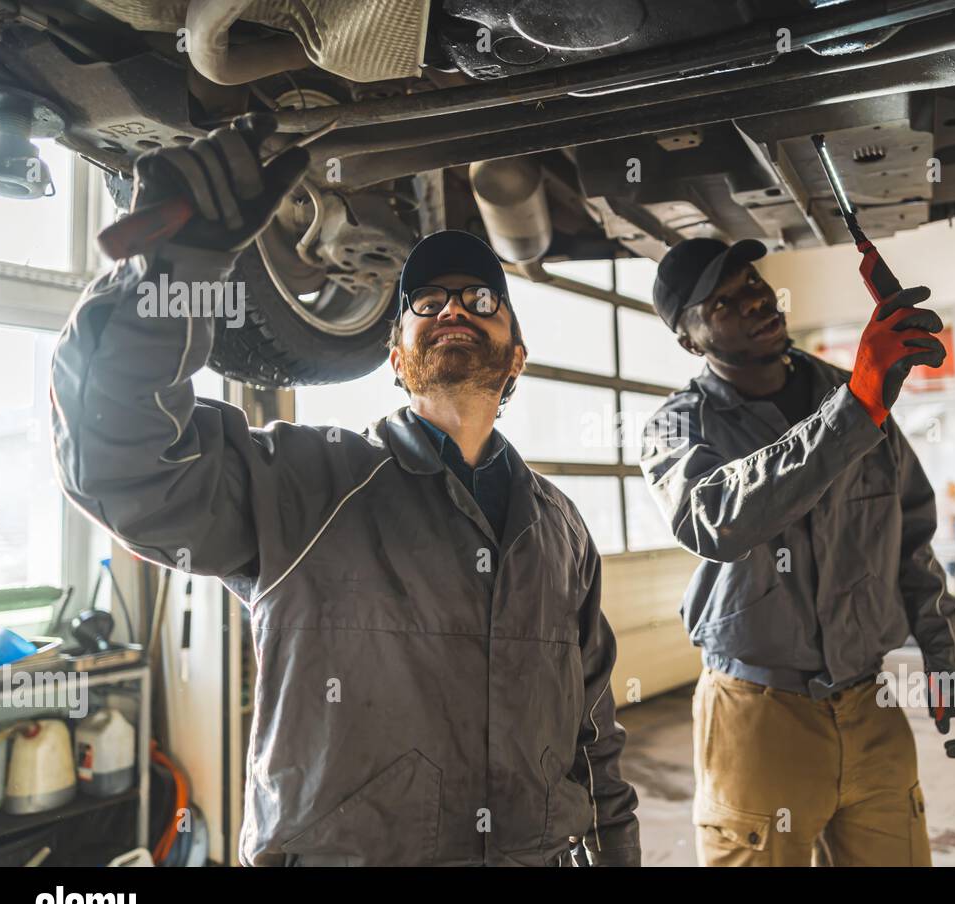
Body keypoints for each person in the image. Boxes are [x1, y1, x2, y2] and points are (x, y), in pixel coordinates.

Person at [50, 113, 639, 866]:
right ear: (396, 355)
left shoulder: (560, 529)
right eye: (425, 303)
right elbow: (123, 463)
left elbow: (595, 726)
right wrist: (176, 270)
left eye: (480, 299)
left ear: (516, 355)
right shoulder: (303, 482)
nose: (453, 308)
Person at [640, 237, 955, 867]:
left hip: (869, 707)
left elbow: (909, 534)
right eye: (722, 301)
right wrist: (856, 407)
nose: (753, 300)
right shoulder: (677, 425)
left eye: (750, 281)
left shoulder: (852, 393)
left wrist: (948, 654)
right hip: (756, 717)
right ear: (690, 340)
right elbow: (714, 518)